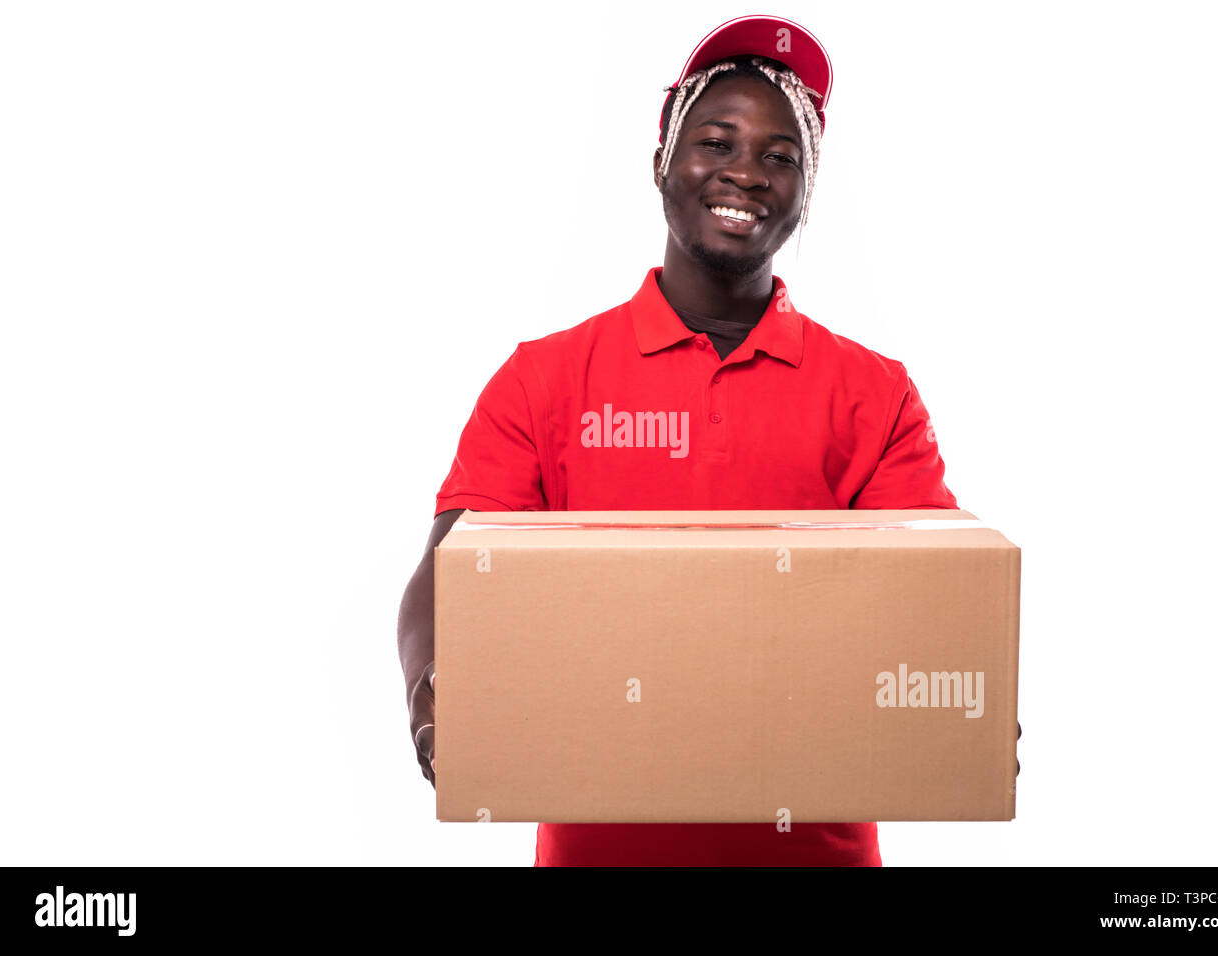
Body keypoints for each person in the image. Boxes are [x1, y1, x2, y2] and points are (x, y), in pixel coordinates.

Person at [397, 14, 1018, 866]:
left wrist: (967, 691)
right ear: (662, 159)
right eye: (716, 140)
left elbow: (932, 592)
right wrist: (432, 691)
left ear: (807, 192)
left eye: (780, 156)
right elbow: (452, 568)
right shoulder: (545, 379)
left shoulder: (874, 393)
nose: (745, 174)